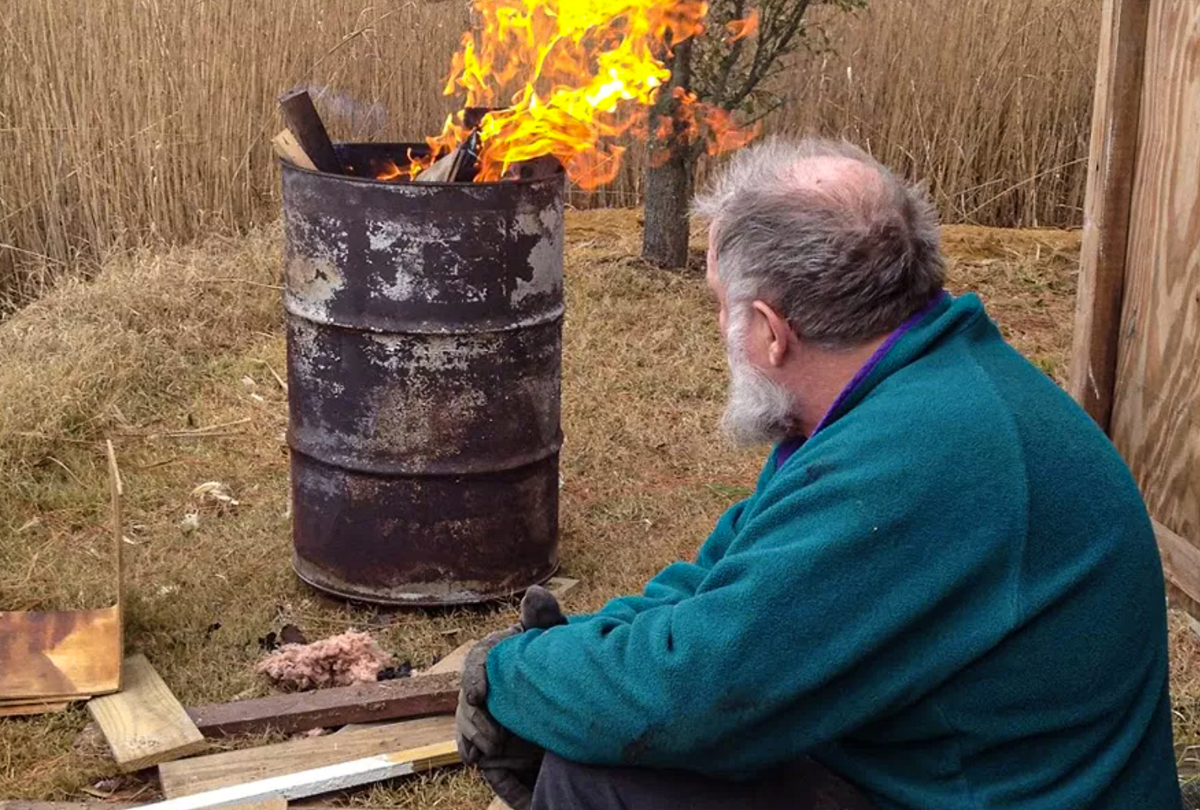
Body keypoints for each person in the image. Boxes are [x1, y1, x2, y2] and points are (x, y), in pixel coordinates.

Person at [455, 137, 1183, 810]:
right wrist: (579, 656)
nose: (721, 329)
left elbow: (695, 698)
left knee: (602, 784)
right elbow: (724, 582)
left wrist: (514, 678)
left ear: (772, 333)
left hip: (986, 792)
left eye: (721, 307)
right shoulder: (898, 394)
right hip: (934, 763)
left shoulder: (921, 457)